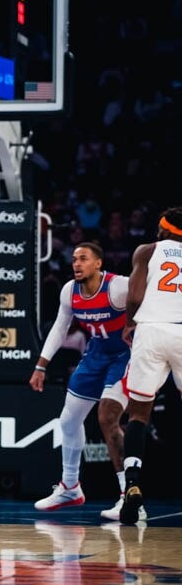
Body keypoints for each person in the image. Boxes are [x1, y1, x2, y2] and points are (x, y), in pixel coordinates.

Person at [29, 242, 137, 520]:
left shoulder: (119, 287)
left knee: (107, 418)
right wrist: (41, 365)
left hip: (125, 355)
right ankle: (70, 487)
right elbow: (60, 327)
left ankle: (129, 496)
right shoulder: (69, 291)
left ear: (98, 263)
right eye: (75, 259)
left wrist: (138, 324)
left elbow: (149, 298)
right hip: (95, 355)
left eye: (83, 259)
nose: (76, 264)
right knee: (68, 421)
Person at [119, 208, 182, 524]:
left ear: (165, 229)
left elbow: (134, 295)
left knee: (138, 413)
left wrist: (129, 323)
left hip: (152, 330)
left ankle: (132, 483)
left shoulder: (147, 251)